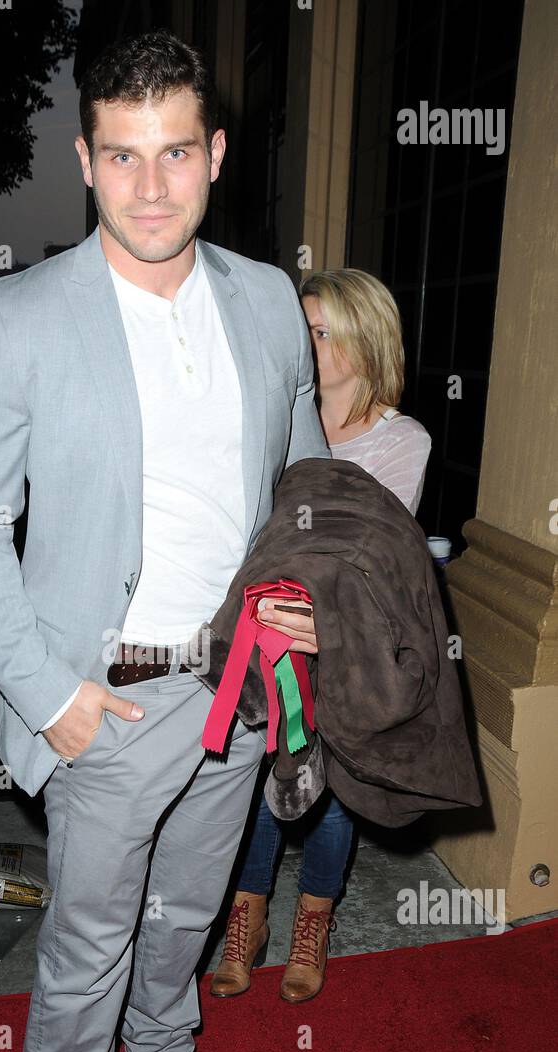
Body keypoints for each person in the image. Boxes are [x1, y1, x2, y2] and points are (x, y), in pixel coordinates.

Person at [0, 29, 330, 1052]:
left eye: (174, 154)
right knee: (88, 940)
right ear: (86, 160)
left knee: (190, 910)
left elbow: (304, 478)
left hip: (244, 688)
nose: (150, 187)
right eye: (121, 156)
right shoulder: (18, 317)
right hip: (106, 697)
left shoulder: (268, 299)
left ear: (213, 156)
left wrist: (309, 590)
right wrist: (49, 693)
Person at [211, 268, 432, 1005]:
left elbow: (370, 556)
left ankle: (313, 917)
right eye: (302, 328)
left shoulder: (402, 441)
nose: (306, 343)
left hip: (345, 639)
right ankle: (248, 916)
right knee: (260, 777)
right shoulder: (272, 419)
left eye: (321, 330)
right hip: (266, 627)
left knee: (334, 783)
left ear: (364, 342)